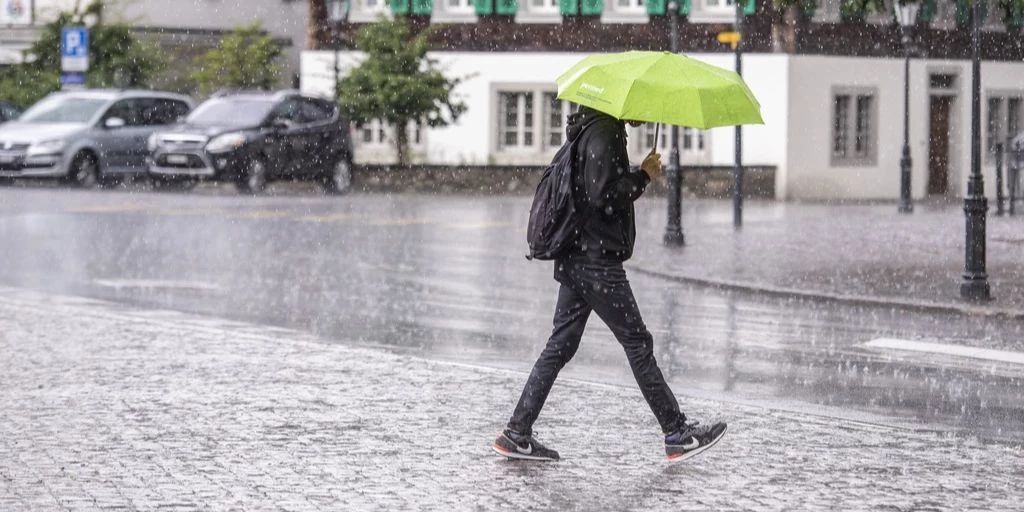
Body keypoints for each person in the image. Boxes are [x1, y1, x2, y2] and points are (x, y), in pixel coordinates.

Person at [492, 106, 727, 462]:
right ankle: (676, 432)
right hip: (596, 262)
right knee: (637, 342)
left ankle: (517, 432)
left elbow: (592, 190)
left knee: (560, 345)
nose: (645, 115)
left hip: (576, 255)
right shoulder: (606, 133)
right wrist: (643, 176)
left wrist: (633, 175)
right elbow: (602, 197)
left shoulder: (589, 129)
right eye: (642, 108)